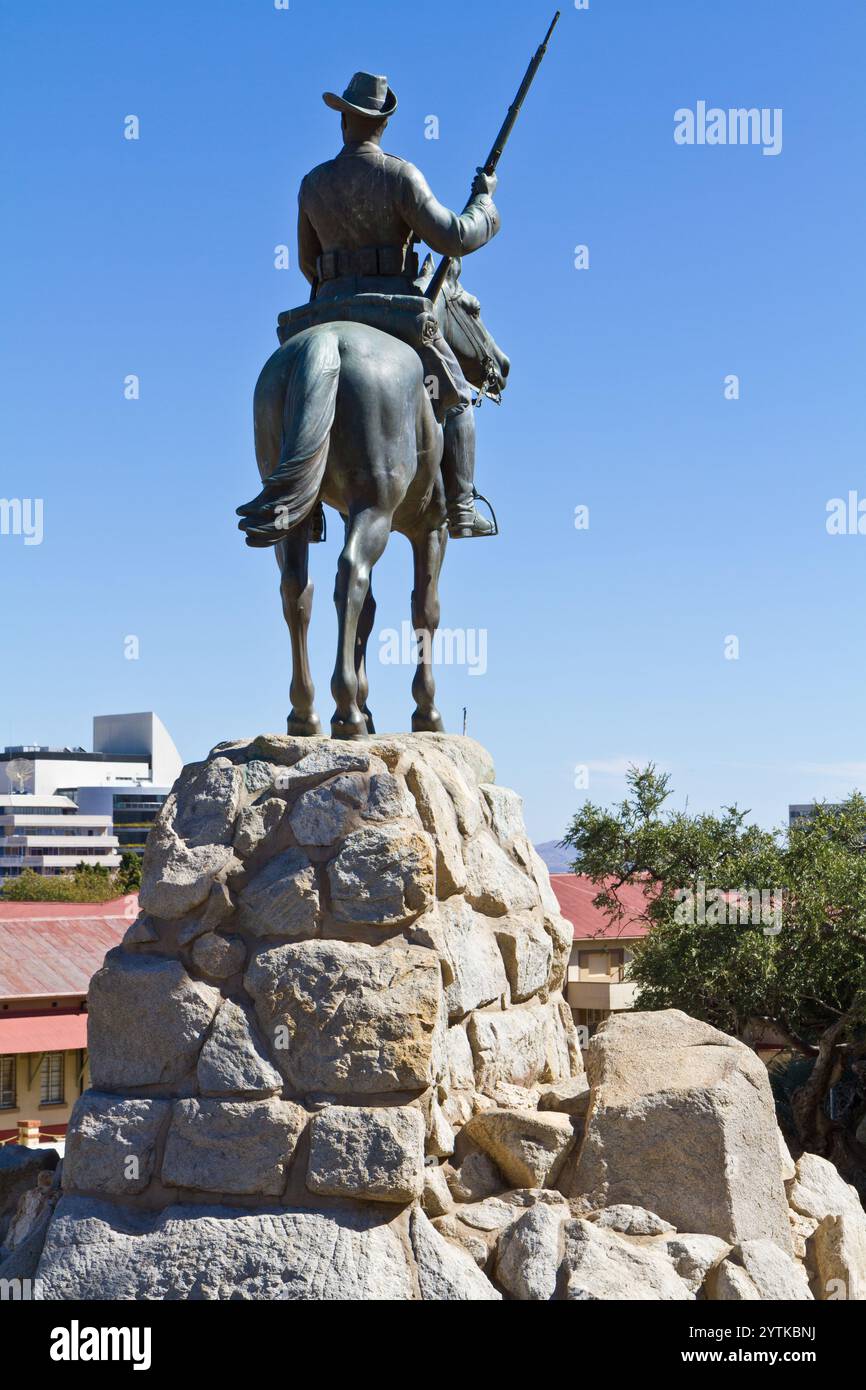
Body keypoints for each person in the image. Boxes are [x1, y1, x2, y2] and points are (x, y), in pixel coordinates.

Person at [297, 71, 501, 538]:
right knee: (455, 398)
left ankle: (304, 510)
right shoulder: (400, 175)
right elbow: (453, 236)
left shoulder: (312, 184)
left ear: (344, 120)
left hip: (323, 310)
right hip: (394, 314)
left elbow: (308, 264)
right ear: (383, 124)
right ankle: (463, 508)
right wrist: (484, 205)